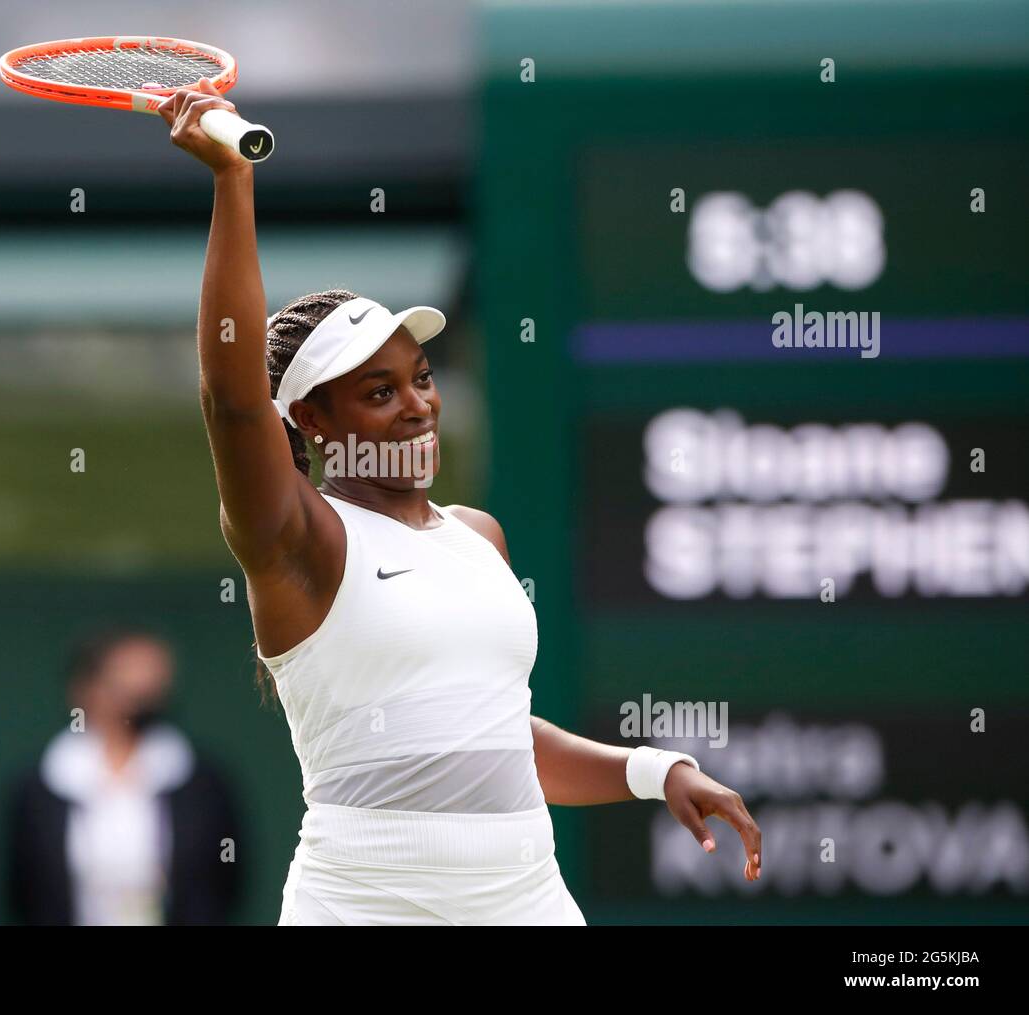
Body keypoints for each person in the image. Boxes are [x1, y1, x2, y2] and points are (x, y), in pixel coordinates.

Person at [160, 79, 763, 925]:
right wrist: (233, 181)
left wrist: (654, 769)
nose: (418, 403)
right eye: (378, 390)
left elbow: (500, 740)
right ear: (310, 420)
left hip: (525, 897)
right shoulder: (301, 537)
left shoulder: (479, 535)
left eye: (422, 377)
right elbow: (230, 400)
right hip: (363, 903)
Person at [4, 630, 243, 925]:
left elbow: (227, 881)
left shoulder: (202, 780)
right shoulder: (41, 784)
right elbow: (21, 888)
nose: (143, 688)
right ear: (86, 688)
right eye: (126, 675)